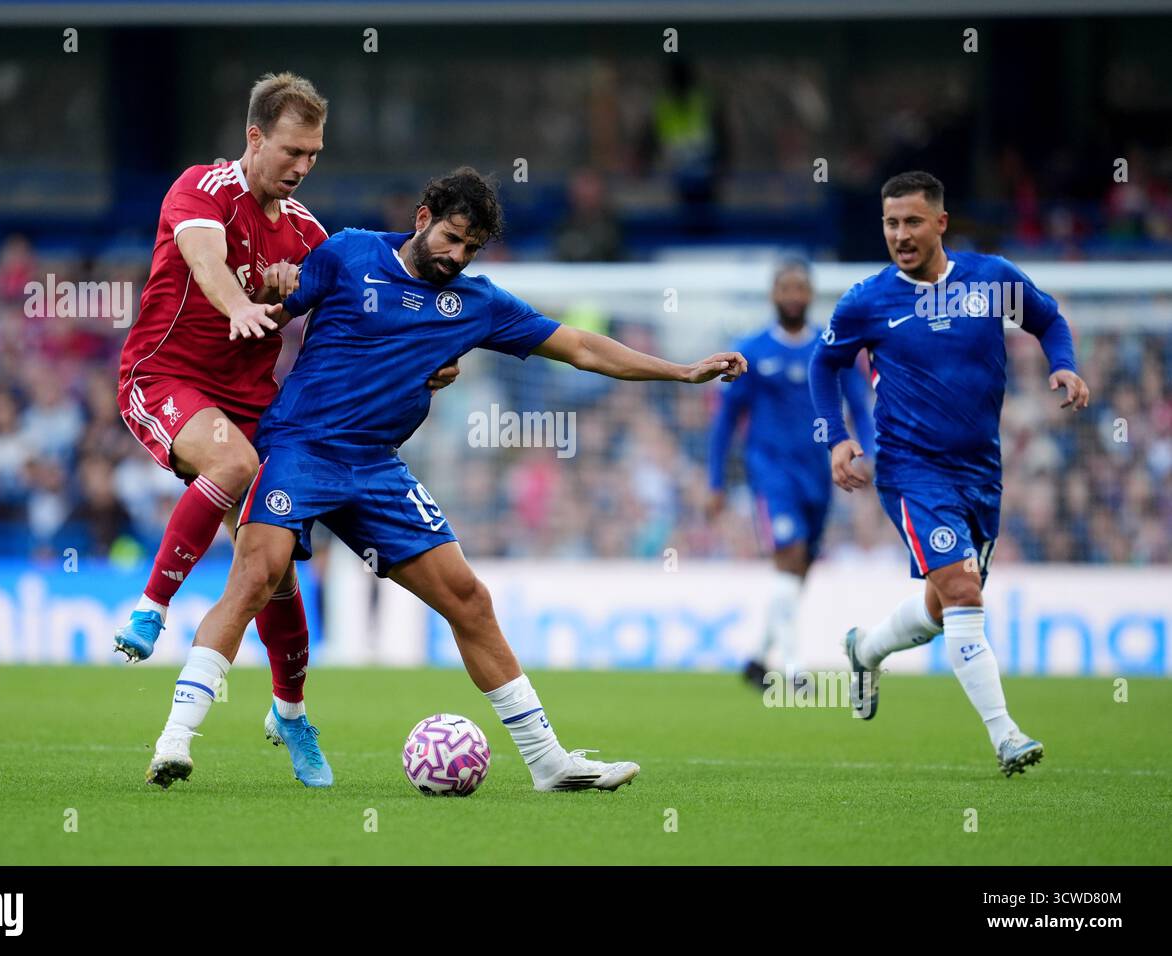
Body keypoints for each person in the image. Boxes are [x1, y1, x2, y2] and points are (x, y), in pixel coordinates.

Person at [146, 167, 747, 792]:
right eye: (452, 238)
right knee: (254, 578)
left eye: (471, 248)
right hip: (299, 450)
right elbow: (265, 316)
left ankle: (548, 763)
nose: (456, 256)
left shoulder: (478, 304)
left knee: (469, 600)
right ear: (423, 216)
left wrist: (681, 373)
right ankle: (175, 740)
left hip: (377, 467)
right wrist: (274, 285)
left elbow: (580, 348)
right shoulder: (349, 252)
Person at [113, 73, 458, 775]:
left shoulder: (307, 233)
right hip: (166, 378)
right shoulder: (201, 190)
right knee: (234, 467)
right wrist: (240, 304)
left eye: (314, 156)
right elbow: (205, 259)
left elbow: (358, 318)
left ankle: (291, 714)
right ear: (254, 137)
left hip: (249, 406)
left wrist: (419, 364)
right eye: (293, 151)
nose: (303, 168)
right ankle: (151, 605)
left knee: (272, 566)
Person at [808, 170, 1090, 777]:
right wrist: (836, 437)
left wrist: (1064, 366)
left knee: (943, 607)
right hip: (911, 470)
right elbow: (822, 364)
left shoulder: (992, 279)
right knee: (966, 593)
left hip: (981, 472)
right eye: (890, 223)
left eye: (912, 221)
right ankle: (1006, 736)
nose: (900, 235)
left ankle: (865, 649)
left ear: (940, 222)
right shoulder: (867, 299)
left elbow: (1049, 320)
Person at [707, 259, 874, 689]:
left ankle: (759, 658)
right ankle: (795, 669)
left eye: (801, 288)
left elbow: (858, 403)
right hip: (770, 472)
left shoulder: (831, 347)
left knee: (798, 569)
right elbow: (726, 421)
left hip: (819, 474)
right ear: (773, 295)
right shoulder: (753, 351)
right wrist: (716, 482)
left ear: (810, 295)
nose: (793, 296)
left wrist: (870, 452)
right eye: (786, 288)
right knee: (790, 554)